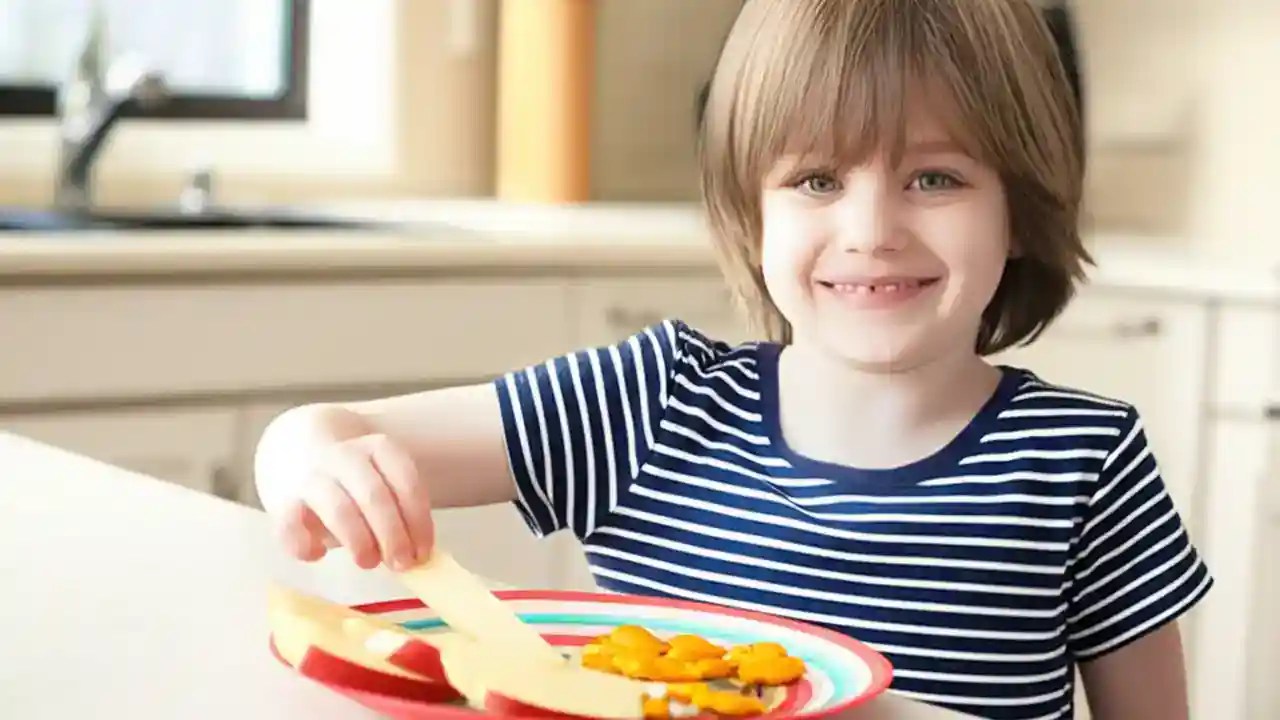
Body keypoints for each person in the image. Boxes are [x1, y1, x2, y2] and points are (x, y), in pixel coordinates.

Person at [253, 1, 1211, 718]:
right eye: (817, 179)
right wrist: (314, 461)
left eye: (935, 177)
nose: (871, 230)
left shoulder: (1087, 461)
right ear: (753, 219)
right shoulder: (650, 402)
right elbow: (325, 436)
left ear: (1020, 212)